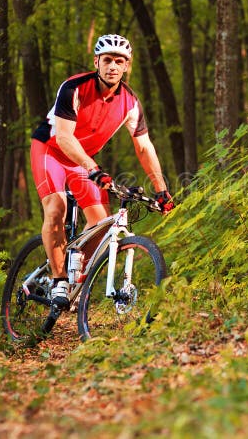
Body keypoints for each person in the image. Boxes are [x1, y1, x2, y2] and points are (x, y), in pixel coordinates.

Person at [30, 34, 174, 314]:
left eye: (119, 61)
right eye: (107, 60)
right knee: (56, 208)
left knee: (102, 222)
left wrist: (161, 189)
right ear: (96, 62)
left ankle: (74, 272)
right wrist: (93, 168)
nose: (113, 66)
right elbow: (64, 138)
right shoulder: (74, 87)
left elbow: (144, 147)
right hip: (51, 150)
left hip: (83, 161)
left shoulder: (130, 103)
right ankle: (59, 280)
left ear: (127, 66)